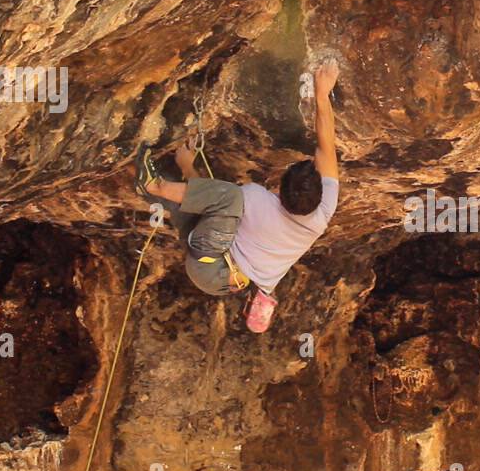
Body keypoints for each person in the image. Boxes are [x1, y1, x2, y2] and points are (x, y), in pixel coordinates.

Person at [134, 59, 341, 333]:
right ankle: (151, 192)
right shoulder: (323, 212)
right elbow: (326, 145)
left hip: (212, 261)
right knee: (201, 210)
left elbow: (213, 199)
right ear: (318, 197)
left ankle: (154, 186)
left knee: (228, 199)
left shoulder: (256, 199)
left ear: (279, 188)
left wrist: (321, 90)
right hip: (220, 278)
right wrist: (323, 94)